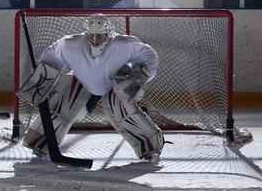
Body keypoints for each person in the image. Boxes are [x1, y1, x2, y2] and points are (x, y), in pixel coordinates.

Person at [17, 14, 164, 164]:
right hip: (82, 81)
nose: (95, 39)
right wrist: (42, 82)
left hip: (113, 84)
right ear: (85, 33)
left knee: (123, 110)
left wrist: (138, 77)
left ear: (109, 34)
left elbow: (149, 56)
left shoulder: (125, 44)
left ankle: (150, 147)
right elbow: (50, 58)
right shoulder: (69, 44)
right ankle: (40, 141)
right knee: (60, 105)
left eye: (99, 36)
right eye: (91, 35)